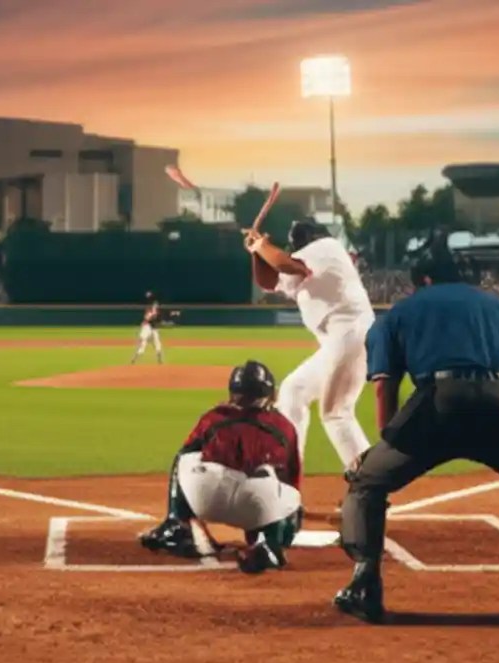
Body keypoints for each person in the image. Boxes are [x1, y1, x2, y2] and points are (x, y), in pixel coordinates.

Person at [332, 233, 499, 625]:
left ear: (423, 280)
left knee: (367, 482)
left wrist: (387, 443)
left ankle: (364, 585)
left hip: (437, 401)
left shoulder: (400, 312)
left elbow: (384, 386)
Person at [138, 360, 304, 573]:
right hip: (258, 505)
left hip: (206, 498)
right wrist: (286, 526)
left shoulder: (214, 416)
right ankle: (269, 545)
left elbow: (186, 453)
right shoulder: (284, 426)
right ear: (270, 393)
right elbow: (292, 478)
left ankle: (176, 524)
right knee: (289, 493)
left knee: (185, 457)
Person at [242, 219, 374, 470]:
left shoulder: (327, 246)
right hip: (343, 342)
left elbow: (283, 262)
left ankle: (370, 486)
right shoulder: (311, 260)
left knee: (336, 412)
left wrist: (262, 244)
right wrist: (256, 252)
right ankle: (288, 472)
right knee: (293, 391)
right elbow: (269, 282)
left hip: (349, 336)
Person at [130, 291, 165, 364]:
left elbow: (156, 319)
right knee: (143, 342)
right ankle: (134, 359)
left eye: (156, 304)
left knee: (157, 344)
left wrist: (152, 318)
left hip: (154, 329)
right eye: (155, 304)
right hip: (148, 328)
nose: (156, 305)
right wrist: (148, 320)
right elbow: (147, 318)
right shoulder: (150, 310)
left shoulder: (156, 311)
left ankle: (160, 360)